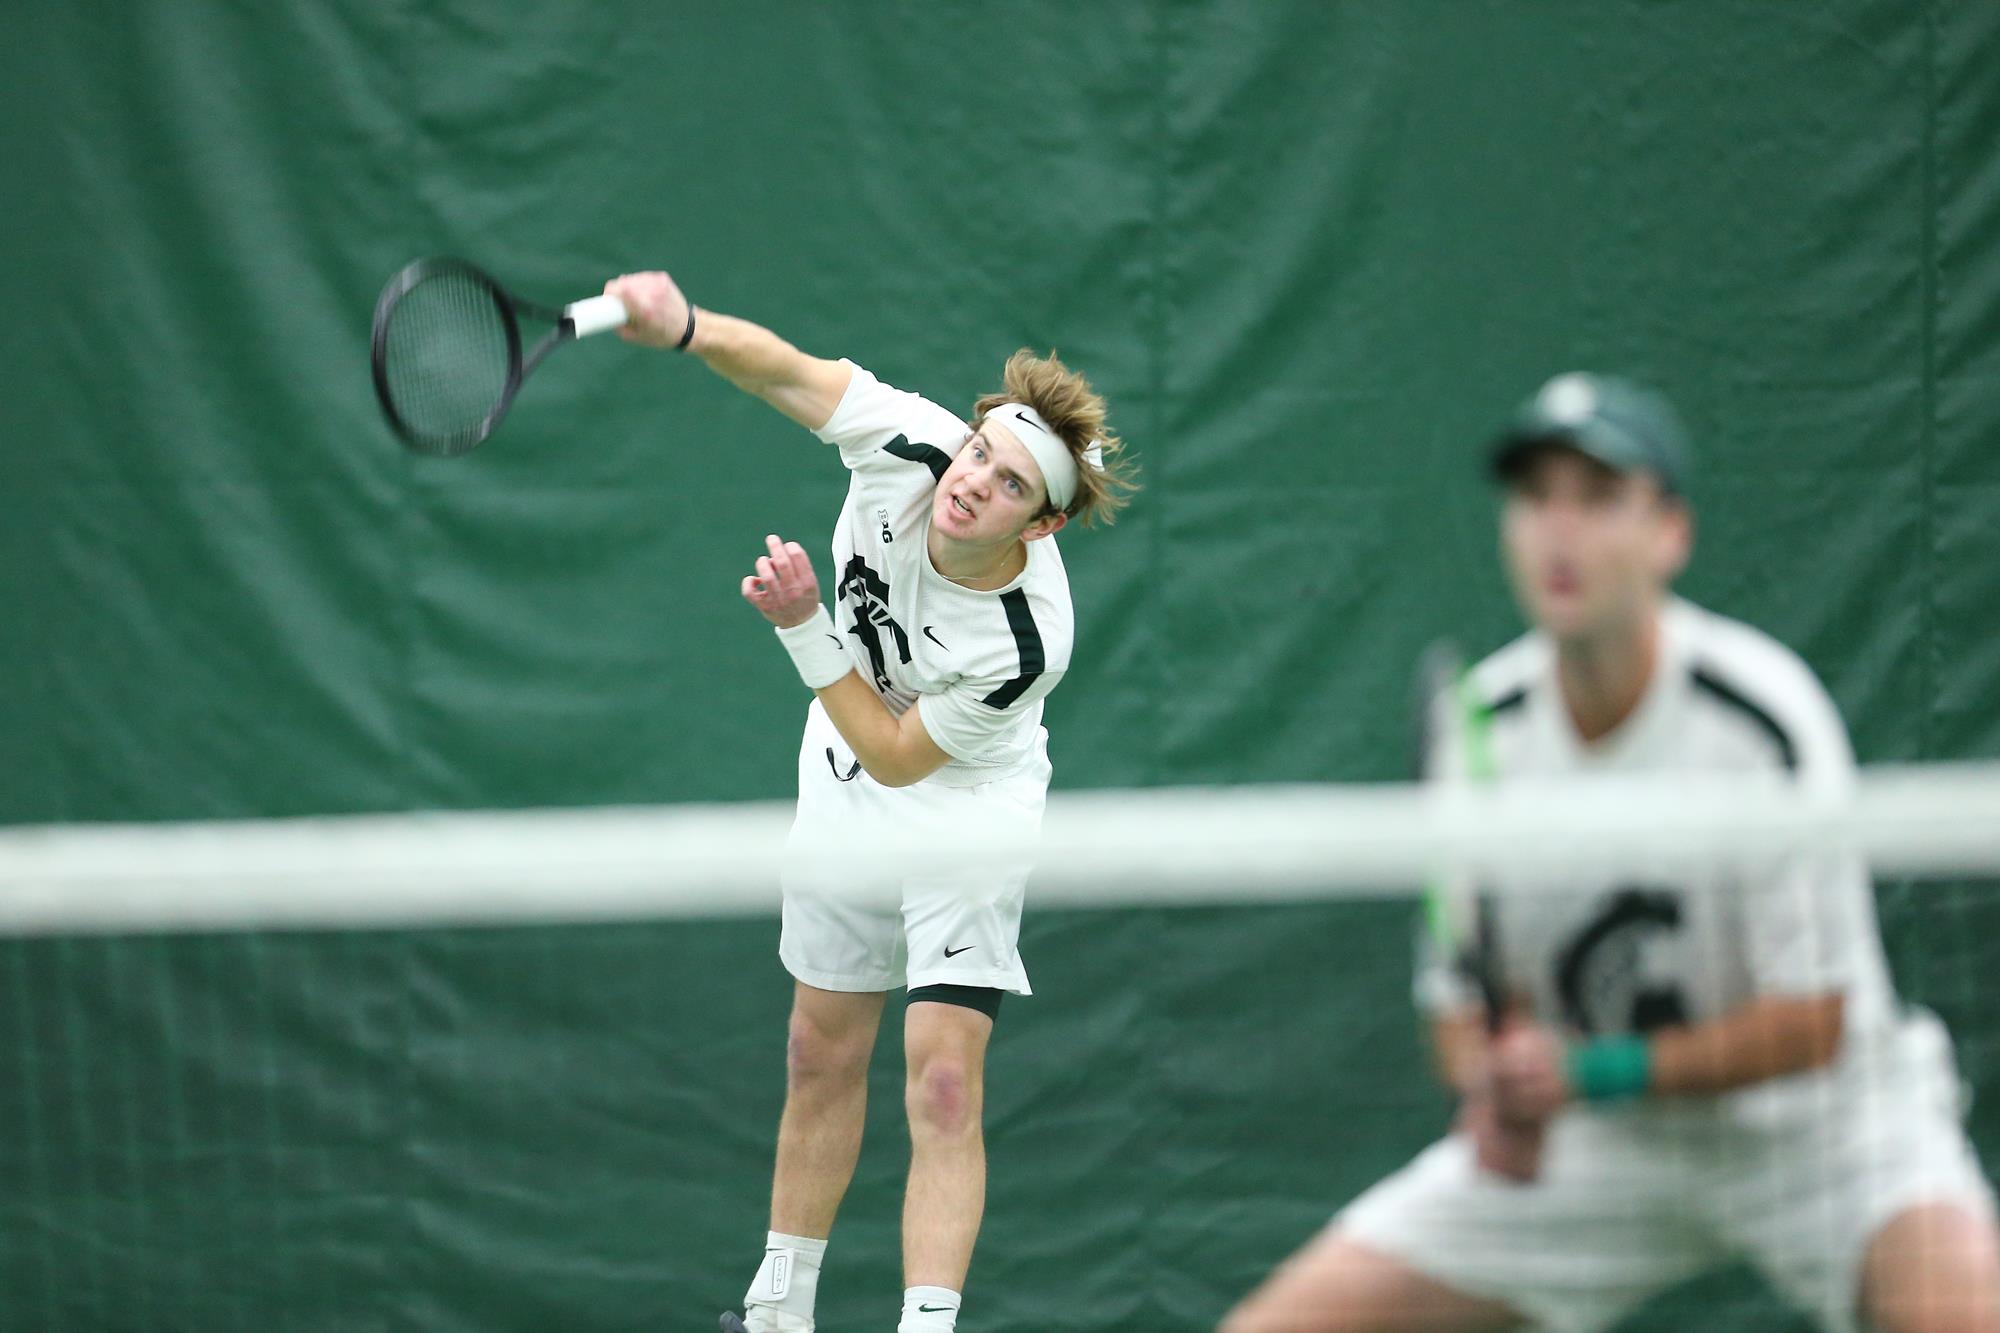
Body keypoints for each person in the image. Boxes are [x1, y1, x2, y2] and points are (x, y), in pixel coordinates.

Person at [1221, 372, 2000, 1333]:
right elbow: (1459, 1004)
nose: (1560, 530)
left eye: (1597, 498)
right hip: (1595, 1151)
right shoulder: (1483, 733)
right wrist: (1491, 1084)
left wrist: (1593, 1072)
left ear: (1671, 532)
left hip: (1827, 1131)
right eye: (1535, 497)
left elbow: (1814, 1023)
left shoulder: (1763, 719)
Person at [601, 270, 1136, 1333]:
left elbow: (900, 755)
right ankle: (778, 1312)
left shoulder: (1026, 641)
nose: (973, 482)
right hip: (845, 771)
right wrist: (686, 326)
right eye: (980, 452)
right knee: (818, 1049)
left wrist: (805, 627)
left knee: (942, 1085)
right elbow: (784, 372)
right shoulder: (910, 444)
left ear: (1039, 526)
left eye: (1010, 485)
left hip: (965, 810)